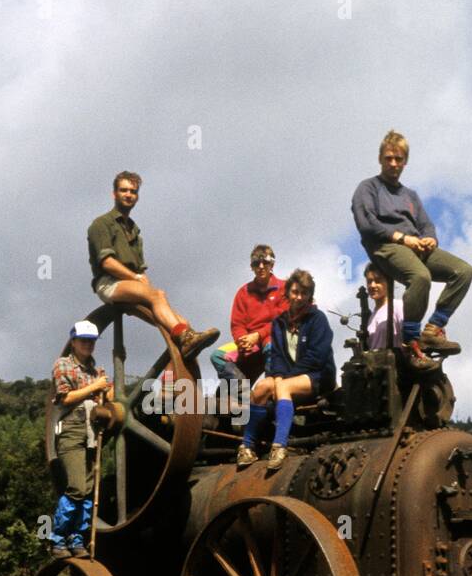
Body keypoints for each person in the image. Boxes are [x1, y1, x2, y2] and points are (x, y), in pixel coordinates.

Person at [351, 130, 472, 371]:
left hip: (415, 245)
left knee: (464, 271)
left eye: (398, 159)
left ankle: (432, 329)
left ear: (405, 161)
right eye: (388, 158)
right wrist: (401, 238)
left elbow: (426, 224)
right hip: (385, 244)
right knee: (420, 277)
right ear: (380, 159)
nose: (393, 163)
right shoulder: (368, 188)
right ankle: (410, 342)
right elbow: (366, 223)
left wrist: (430, 239)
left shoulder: (410, 196)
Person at [87, 171, 219, 359]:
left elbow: (141, 270)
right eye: (123, 190)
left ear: (137, 196)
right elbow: (107, 263)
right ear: (114, 194)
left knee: (180, 321)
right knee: (158, 296)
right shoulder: (101, 224)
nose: (128, 194)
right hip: (109, 283)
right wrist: (137, 280)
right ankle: (185, 337)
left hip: (133, 284)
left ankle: (181, 353)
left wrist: (142, 283)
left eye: (133, 191)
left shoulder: (134, 231)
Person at [237, 269, 336, 471]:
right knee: (262, 387)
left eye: (304, 293)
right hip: (290, 376)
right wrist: (279, 376)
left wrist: (284, 380)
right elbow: (278, 356)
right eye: (295, 292)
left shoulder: (318, 319)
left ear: (310, 296)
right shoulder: (279, 322)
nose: (299, 297)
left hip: (318, 376)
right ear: (288, 292)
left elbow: (316, 358)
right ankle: (247, 447)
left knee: (283, 388)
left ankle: (279, 446)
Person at [49, 320, 114, 559]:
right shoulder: (63, 365)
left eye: (91, 341)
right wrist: (95, 386)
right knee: (76, 487)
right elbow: (64, 398)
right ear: (73, 342)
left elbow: (107, 394)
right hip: (71, 429)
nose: (87, 345)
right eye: (83, 340)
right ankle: (57, 539)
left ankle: (76, 539)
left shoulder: (96, 371)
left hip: (91, 431)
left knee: (88, 491)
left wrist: (108, 390)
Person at [210, 244, 286, 384]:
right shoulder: (243, 292)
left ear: (272, 264)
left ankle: (271, 391)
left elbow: (283, 320)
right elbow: (237, 324)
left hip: (272, 339)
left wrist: (258, 336)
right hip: (250, 343)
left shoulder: (284, 288)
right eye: (257, 263)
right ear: (252, 266)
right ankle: (242, 393)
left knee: (271, 347)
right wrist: (242, 340)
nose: (261, 266)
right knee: (217, 356)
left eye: (266, 262)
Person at [363, 262, 403, 350]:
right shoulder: (371, 317)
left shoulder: (398, 306)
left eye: (378, 281)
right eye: (369, 281)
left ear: (388, 282)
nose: (372, 285)